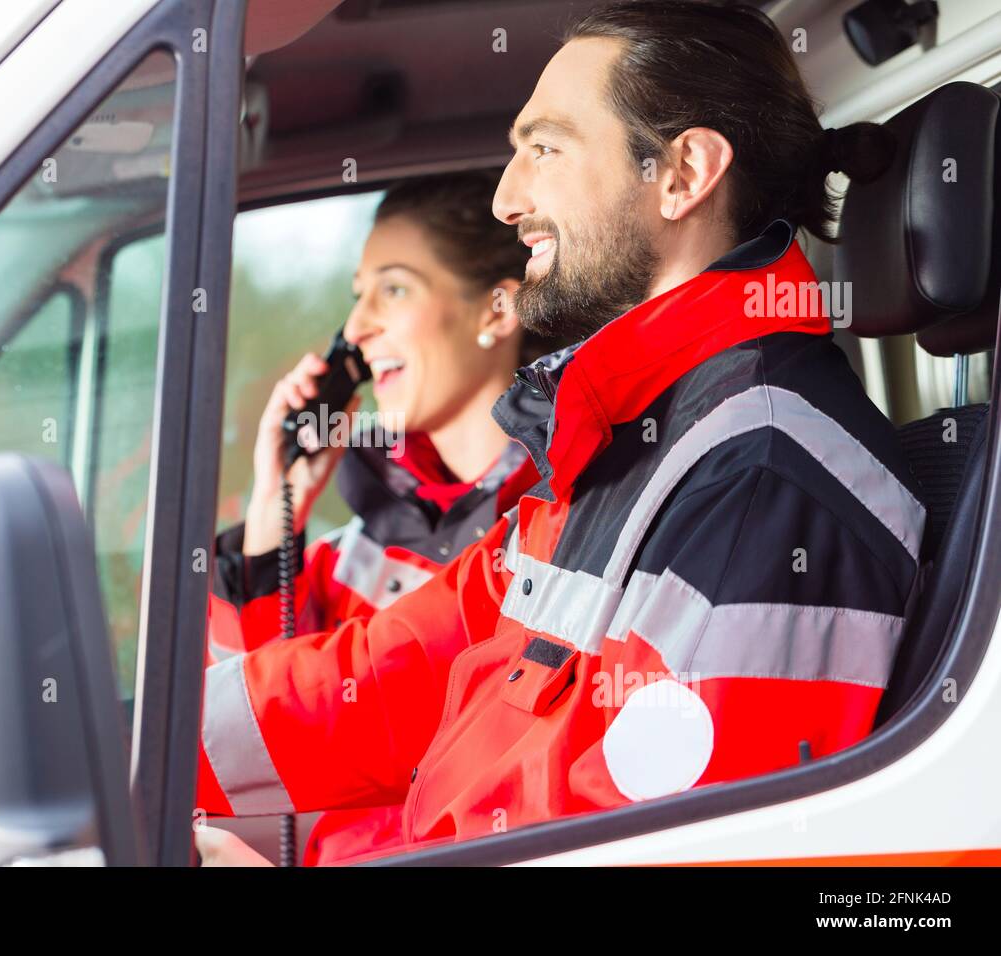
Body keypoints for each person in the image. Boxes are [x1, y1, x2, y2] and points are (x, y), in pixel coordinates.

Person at [196, 0, 919, 865]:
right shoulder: (625, 445)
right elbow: (383, 679)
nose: (508, 197)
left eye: (544, 149)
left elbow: (642, 850)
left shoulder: (763, 480)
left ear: (684, 172)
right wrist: (150, 749)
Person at [207, 171, 564, 865]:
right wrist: (274, 500)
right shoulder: (356, 548)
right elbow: (241, 701)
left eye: (393, 290)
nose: (356, 329)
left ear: (497, 311)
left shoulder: (559, 524)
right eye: (356, 298)